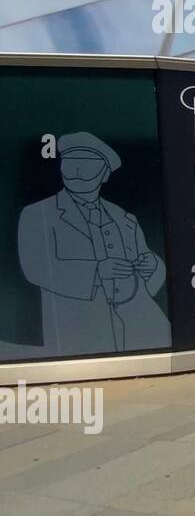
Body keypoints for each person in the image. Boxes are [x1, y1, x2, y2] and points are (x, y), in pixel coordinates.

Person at [17, 132, 170, 356]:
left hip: (140, 319)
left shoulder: (124, 217)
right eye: (70, 164)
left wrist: (152, 265)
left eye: (87, 165)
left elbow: (147, 261)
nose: (77, 172)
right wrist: (97, 270)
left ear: (105, 174)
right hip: (79, 322)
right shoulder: (38, 213)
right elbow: (36, 269)